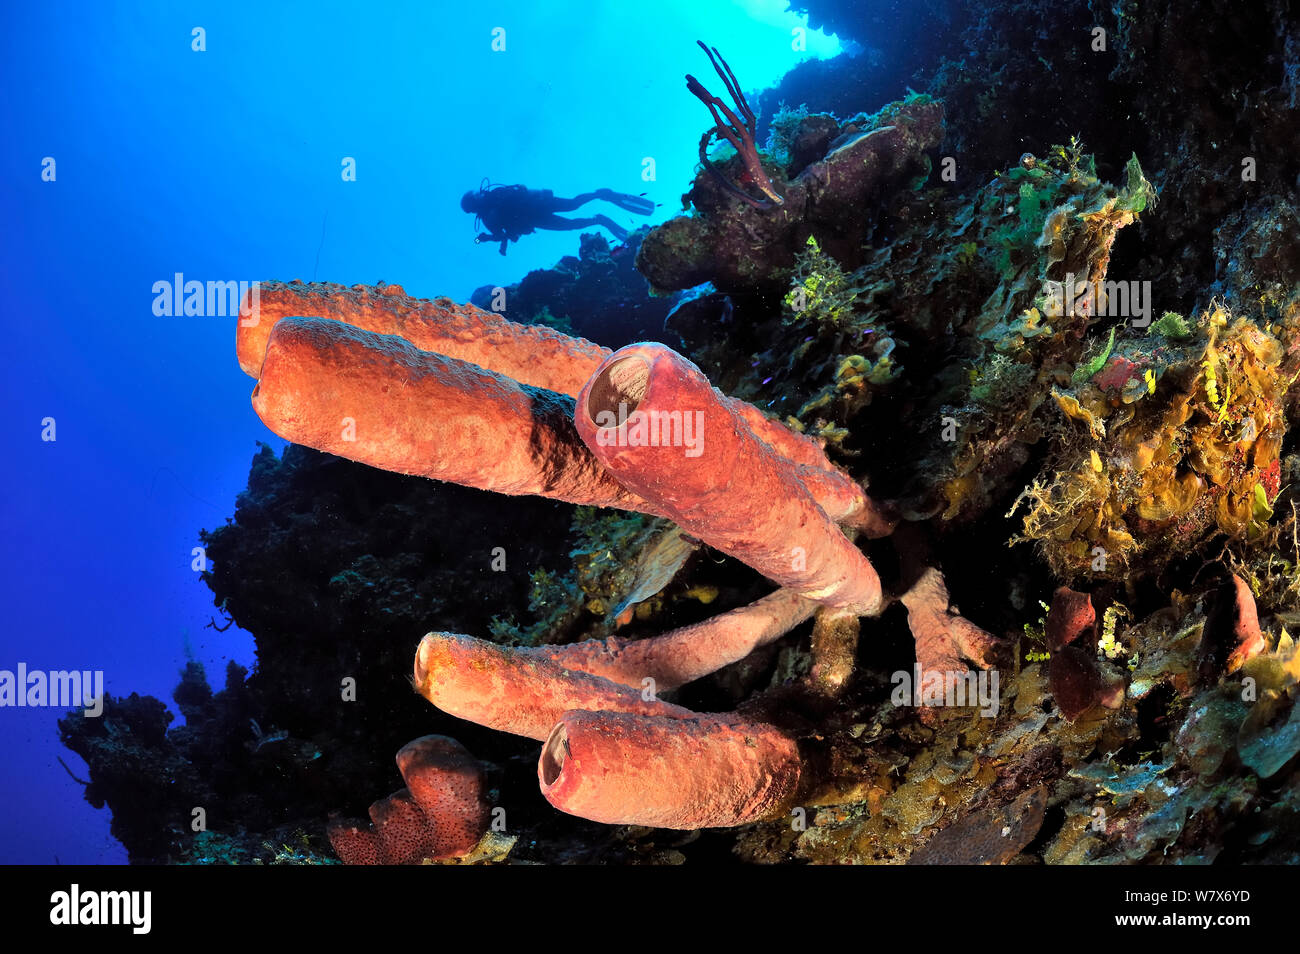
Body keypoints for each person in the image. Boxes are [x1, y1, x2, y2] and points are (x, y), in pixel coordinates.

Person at [461, 183, 655, 255]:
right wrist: (485, 239)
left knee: (571, 220)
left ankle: (598, 217)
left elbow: (501, 235)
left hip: (536, 216)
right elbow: (502, 234)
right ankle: (599, 196)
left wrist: (481, 239)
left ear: (472, 210)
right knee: (572, 206)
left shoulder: (489, 216)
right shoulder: (494, 198)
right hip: (539, 206)